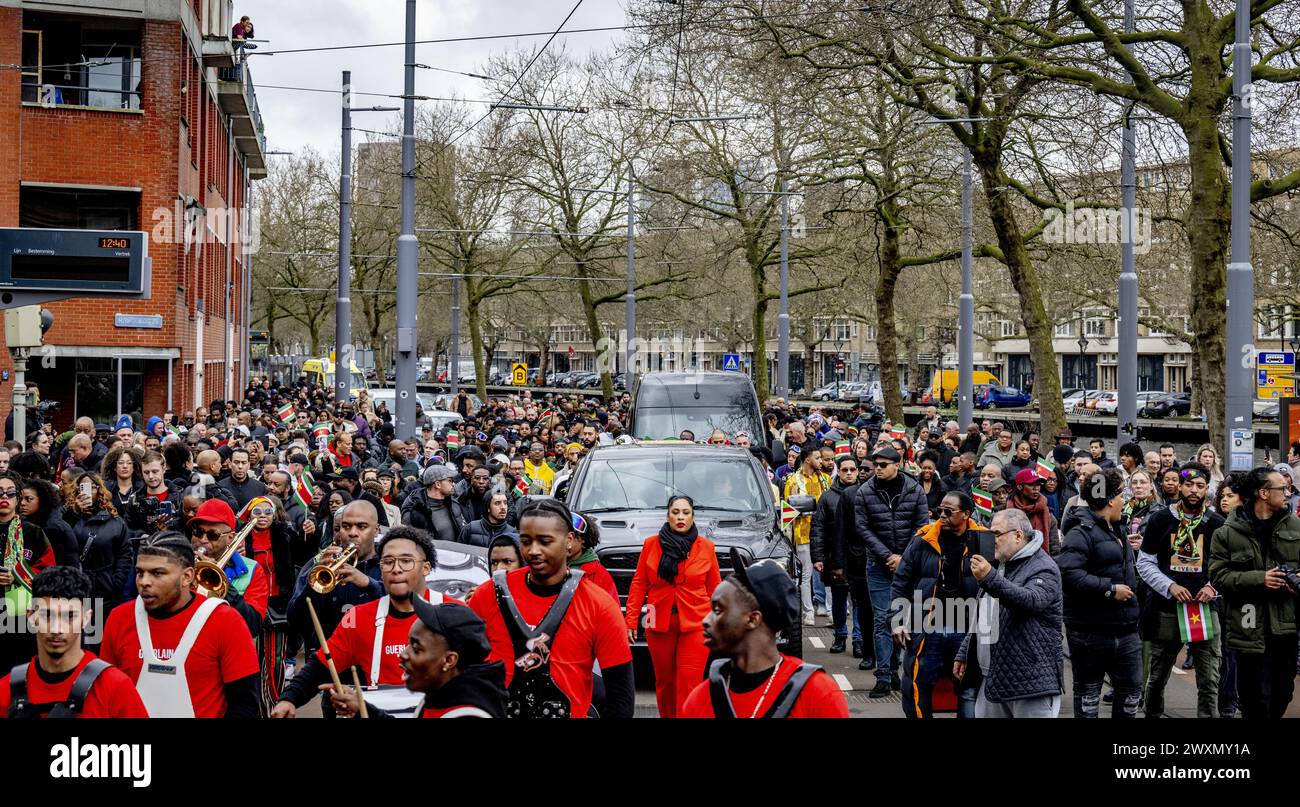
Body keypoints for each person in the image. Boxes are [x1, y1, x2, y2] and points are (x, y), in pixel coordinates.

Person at [467, 498, 634, 718]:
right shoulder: (487, 595)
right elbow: (462, 668)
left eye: (545, 541)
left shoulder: (598, 604)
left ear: (569, 540)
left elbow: (620, 691)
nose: (533, 550)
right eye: (526, 541)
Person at [274, 526, 446, 718]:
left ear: (426, 568)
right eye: (388, 562)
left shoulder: (454, 612)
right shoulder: (361, 616)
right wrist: (288, 699)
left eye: (406, 561)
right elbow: (321, 666)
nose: (396, 569)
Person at [98, 531, 260, 717]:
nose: (144, 582)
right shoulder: (119, 618)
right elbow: (107, 694)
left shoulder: (225, 620)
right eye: (140, 572)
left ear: (187, 576)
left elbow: (244, 704)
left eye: (158, 573)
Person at [679, 550, 849, 718]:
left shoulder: (816, 693)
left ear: (753, 619)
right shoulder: (701, 699)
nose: (706, 620)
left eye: (718, 610)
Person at [1209, 466, 1300, 719]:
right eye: (1282, 489)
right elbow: (1218, 576)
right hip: (1247, 626)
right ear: (1263, 493)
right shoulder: (1226, 533)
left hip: (1286, 626)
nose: (1287, 493)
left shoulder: (1296, 527)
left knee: (1283, 692)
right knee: (1252, 697)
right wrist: (1260, 579)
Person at [956, 507, 1064, 718]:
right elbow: (984, 614)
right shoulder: (999, 563)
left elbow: (1029, 601)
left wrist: (989, 578)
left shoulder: (1044, 567)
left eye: (996, 534)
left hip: (1031, 682)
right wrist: (965, 652)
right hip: (994, 677)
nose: (992, 539)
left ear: (1018, 535)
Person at [0, 567, 148, 718]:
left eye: (69, 616)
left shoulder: (114, 687)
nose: (57, 628)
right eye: (47, 615)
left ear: (86, 618)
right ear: (31, 616)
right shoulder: (6, 690)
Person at [623, 495, 721, 718]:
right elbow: (639, 584)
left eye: (685, 513)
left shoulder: (706, 547)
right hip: (658, 621)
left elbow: (716, 589)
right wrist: (631, 619)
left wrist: (721, 623)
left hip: (697, 623)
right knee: (664, 683)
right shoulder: (651, 544)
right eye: (675, 512)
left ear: (692, 516)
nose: (680, 517)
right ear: (667, 516)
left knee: (689, 683)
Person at [1138, 463, 1223, 718]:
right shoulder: (1160, 519)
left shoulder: (1217, 523)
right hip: (1167, 608)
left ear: (1207, 489)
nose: (1194, 491)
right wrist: (1170, 586)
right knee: (1157, 675)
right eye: (1189, 485)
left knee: (1209, 679)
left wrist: (1213, 586)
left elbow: (1228, 565)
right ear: (1179, 486)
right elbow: (1144, 562)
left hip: (1204, 609)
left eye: (1200, 486)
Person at [889, 491, 984, 718]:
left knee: (969, 690)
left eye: (948, 512)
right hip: (927, 627)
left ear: (966, 514)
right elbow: (901, 583)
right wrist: (898, 622)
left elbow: (996, 587)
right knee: (917, 686)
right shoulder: (923, 540)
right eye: (939, 510)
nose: (941, 515)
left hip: (968, 629)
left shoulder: (983, 540)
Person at [1057, 467, 1142, 718]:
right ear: (1110, 499)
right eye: (1121, 495)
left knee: (1131, 695)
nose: (1124, 501)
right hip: (1090, 632)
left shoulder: (1119, 529)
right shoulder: (1079, 533)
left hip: (1126, 630)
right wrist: (1109, 589)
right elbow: (1069, 573)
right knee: (1089, 697)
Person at [852, 446, 930, 698]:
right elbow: (863, 529)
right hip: (878, 565)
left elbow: (921, 526)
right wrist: (888, 556)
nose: (878, 469)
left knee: (903, 617)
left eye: (884, 465)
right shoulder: (865, 492)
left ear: (898, 465)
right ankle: (884, 675)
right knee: (883, 617)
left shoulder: (914, 490)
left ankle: (900, 669)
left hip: (908, 566)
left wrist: (904, 558)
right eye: (876, 465)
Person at [353, 599, 508, 718]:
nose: (403, 654)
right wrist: (362, 709)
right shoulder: (442, 695)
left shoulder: (468, 713)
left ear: (449, 660)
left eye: (415, 648)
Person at [287, 500, 384, 642]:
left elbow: (404, 609)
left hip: (373, 657)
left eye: (361, 527)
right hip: (328, 657)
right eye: (345, 526)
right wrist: (314, 586)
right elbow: (295, 622)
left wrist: (368, 583)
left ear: (376, 530)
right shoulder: (319, 566)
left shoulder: (388, 566)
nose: (352, 533)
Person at [811, 454, 862, 655]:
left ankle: (859, 638)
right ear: (838, 472)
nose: (849, 473)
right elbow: (818, 528)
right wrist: (818, 557)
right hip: (836, 555)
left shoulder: (865, 493)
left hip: (860, 556)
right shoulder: (827, 497)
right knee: (839, 597)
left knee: (859, 599)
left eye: (852, 469)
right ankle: (840, 636)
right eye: (844, 470)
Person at [62, 471, 132, 613]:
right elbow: (60, 539)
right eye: (82, 487)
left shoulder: (115, 521)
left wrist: (116, 582)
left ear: (100, 490)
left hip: (105, 587)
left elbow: (124, 554)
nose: (88, 492)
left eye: (92, 487)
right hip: (75, 586)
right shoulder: (68, 516)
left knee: (101, 631)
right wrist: (74, 511)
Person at [784, 444, 830, 626]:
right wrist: (797, 504)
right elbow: (787, 511)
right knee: (806, 574)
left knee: (828, 572)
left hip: (824, 534)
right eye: (818, 458)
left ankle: (830, 610)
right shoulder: (792, 481)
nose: (821, 461)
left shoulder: (826, 479)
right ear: (807, 459)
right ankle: (808, 612)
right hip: (803, 533)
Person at [17, 478, 78, 568]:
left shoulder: (53, 528)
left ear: (42, 500)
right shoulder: (31, 520)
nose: (22, 503)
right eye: (21, 499)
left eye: (29, 499)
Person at [402, 465, 468, 543]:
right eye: (450, 480)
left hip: (455, 553)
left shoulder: (453, 504)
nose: (453, 484)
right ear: (438, 484)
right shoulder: (415, 511)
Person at [566, 510, 618, 603]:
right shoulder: (547, 567)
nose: (566, 542)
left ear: (583, 540)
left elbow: (610, 610)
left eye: (572, 538)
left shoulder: (598, 574)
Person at [1006, 468, 1058, 554]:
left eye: (1038, 484)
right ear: (1019, 486)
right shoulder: (1004, 512)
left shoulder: (1048, 516)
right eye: (1031, 484)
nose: (1036, 488)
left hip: (1041, 564)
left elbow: (1055, 551)